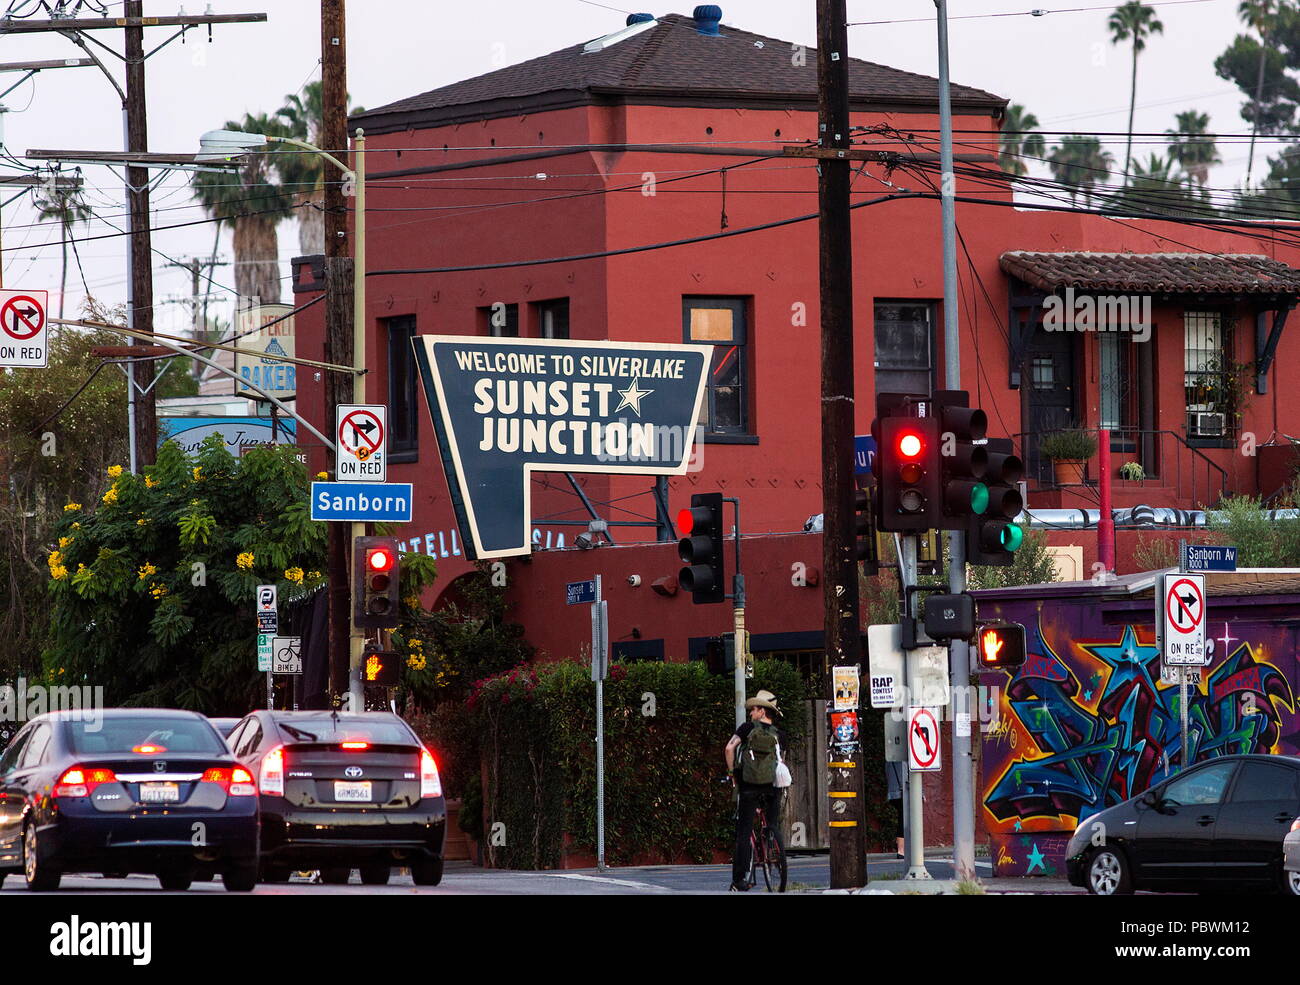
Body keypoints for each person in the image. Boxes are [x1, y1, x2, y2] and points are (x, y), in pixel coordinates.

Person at [724, 689, 786, 892]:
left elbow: (729, 748)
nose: (751, 713)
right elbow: (780, 762)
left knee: (743, 832)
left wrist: (732, 773)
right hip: (772, 787)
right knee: (772, 822)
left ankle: (739, 880)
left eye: (753, 709)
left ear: (762, 711)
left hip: (748, 786)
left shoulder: (746, 728)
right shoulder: (779, 734)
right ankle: (772, 842)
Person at [886, 758, 906, 858]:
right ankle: (901, 849)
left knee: (902, 817)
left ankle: (901, 848)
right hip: (901, 790)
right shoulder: (900, 755)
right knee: (903, 818)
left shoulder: (892, 755)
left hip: (895, 790)